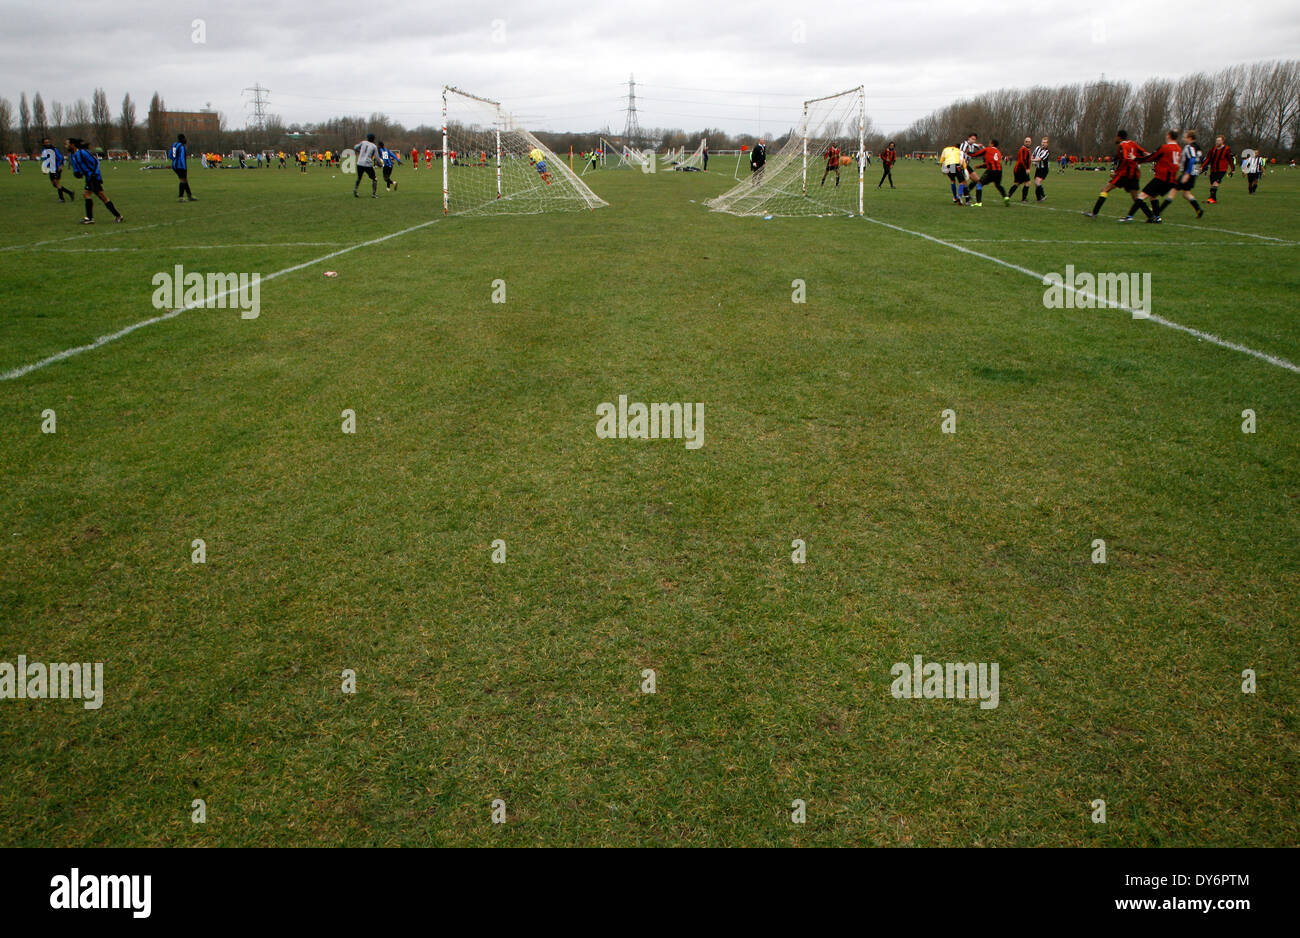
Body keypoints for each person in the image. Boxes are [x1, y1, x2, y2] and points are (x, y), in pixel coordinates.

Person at [1120, 130, 1181, 223]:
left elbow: (1152, 157)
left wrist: (1136, 158)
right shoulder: (1179, 149)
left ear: (1169, 136)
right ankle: (1157, 218)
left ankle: (1129, 216)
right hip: (1171, 180)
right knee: (1153, 196)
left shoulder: (1165, 147)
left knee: (1141, 195)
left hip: (1161, 177)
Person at [1083, 130, 1147, 218]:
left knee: (1105, 190)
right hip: (1135, 174)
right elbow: (1145, 153)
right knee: (1136, 198)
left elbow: (1125, 159)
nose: (1115, 139)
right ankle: (1151, 216)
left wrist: (1116, 173)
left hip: (1124, 174)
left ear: (1119, 137)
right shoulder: (1133, 143)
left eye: (1116, 137)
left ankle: (1094, 214)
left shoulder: (1122, 145)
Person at [67, 138, 123, 224]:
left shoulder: (82, 152)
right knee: (87, 194)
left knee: (101, 196)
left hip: (94, 177)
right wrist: (77, 173)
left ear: (72, 145)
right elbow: (77, 168)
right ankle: (90, 218)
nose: (66, 146)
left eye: (67, 144)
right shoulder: (72, 156)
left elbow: (96, 162)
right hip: (88, 178)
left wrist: (94, 173)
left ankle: (117, 216)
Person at [1152, 130, 1204, 219]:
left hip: (1187, 173)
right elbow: (1199, 159)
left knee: (1173, 191)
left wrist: (1186, 173)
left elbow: (1191, 160)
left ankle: (1158, 211)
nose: (1183, 138)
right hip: (1194, 173)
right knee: (1186, 193)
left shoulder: (1189, 147)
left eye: (1185, 137)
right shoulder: (1198, 147)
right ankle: (1198, 209)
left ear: (1190, 138)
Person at [969, 139, 1007, 205]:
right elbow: (991, 163)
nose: (989, 144)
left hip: (991, 171)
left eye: (989, 143)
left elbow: (975, 154)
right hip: (999, 171)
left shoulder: (987, 149)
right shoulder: (999, 152)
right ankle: (1006, 197)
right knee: (998, 185)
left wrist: (967, 152)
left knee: (979, 184)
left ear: (992, 144)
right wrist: (979, 166)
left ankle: (978, 203)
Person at [40, 138, 76, 202]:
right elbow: (46, 160)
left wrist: (61, 165)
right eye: (46, 142)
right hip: (51, 169)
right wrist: (45, 169)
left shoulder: (54, 149)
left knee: (56, 183)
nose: (47, 143)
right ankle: (70, 193)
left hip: (57, 168)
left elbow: (61, 158)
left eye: (48, 142)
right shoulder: (43, 150)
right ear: (43, 143)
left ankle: (62, 199)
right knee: (54, 184)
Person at [1205, 135, 1234, 203]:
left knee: (1215, 183)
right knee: (1212, 185)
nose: (1217, 142)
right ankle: (1213, 199)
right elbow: (1208, 159)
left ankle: (1211, 199)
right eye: (1216, 140)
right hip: (1213, 169)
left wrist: (1233, 169)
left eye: (1219, 140)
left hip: (1222, 170)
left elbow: (1230, 160)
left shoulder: (1226, 149)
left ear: (1222, 141)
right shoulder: (1213, 149)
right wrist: (1202, 166)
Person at [170, 134, 197, 202]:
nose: (186, 140)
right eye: (185, 138)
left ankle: (189, 196)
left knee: (184, 180)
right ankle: (181, 198)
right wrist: (184, 167)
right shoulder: (182, 147)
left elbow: (170, 155)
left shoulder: (174, 145)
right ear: (182, 139)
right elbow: (182, 158)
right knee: (183, 180)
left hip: (174, 165)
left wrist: (174, 160)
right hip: (180, 166)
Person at [354, 133, 380, 197]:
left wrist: (360, 151)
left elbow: (355, 147)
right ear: (373, 139)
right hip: (368, 164)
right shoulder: (374, 146)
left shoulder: (363, 142)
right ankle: (374, 194)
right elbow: (376, 157)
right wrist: (379, 164)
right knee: (374, 179)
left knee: (359, 178)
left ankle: (355, 189)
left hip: (359, 163)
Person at [1007, 137, 1033, 201]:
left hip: (1019, 169)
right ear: (1024, 142)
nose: (1027, 143)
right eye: (1026, 141)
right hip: (1021, 169)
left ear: (1031, 142)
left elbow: (1027, 160)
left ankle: (1008, 196)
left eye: (1029, 141)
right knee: (1027, 182)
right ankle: (1024, 199)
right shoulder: (1023, 149)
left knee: (1017, 183)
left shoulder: (1027, 149)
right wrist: (1027, 168)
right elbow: (1022, 160)